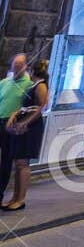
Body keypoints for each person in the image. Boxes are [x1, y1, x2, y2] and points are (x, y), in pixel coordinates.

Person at [1, 59, 49, 212]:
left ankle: (20, 200)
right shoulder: (34, 84)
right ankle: (14, 198)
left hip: (31, 128)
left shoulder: (40, 85)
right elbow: (26, 107)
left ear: (32, 70)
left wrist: (24, 123)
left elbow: (41, 107)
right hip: (24, 126)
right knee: (19, 163)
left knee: (23, 164)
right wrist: (16, 115)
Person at [0, 54, 35, 209]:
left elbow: (35, 106)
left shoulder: (30, 84)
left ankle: (8, 196)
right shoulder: (4, 82)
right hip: (0, 121)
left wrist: (21, 120)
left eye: (19, 66)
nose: (16, 69)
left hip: (13, 125)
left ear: (26, 66)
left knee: (8, 161)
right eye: (14, 66)